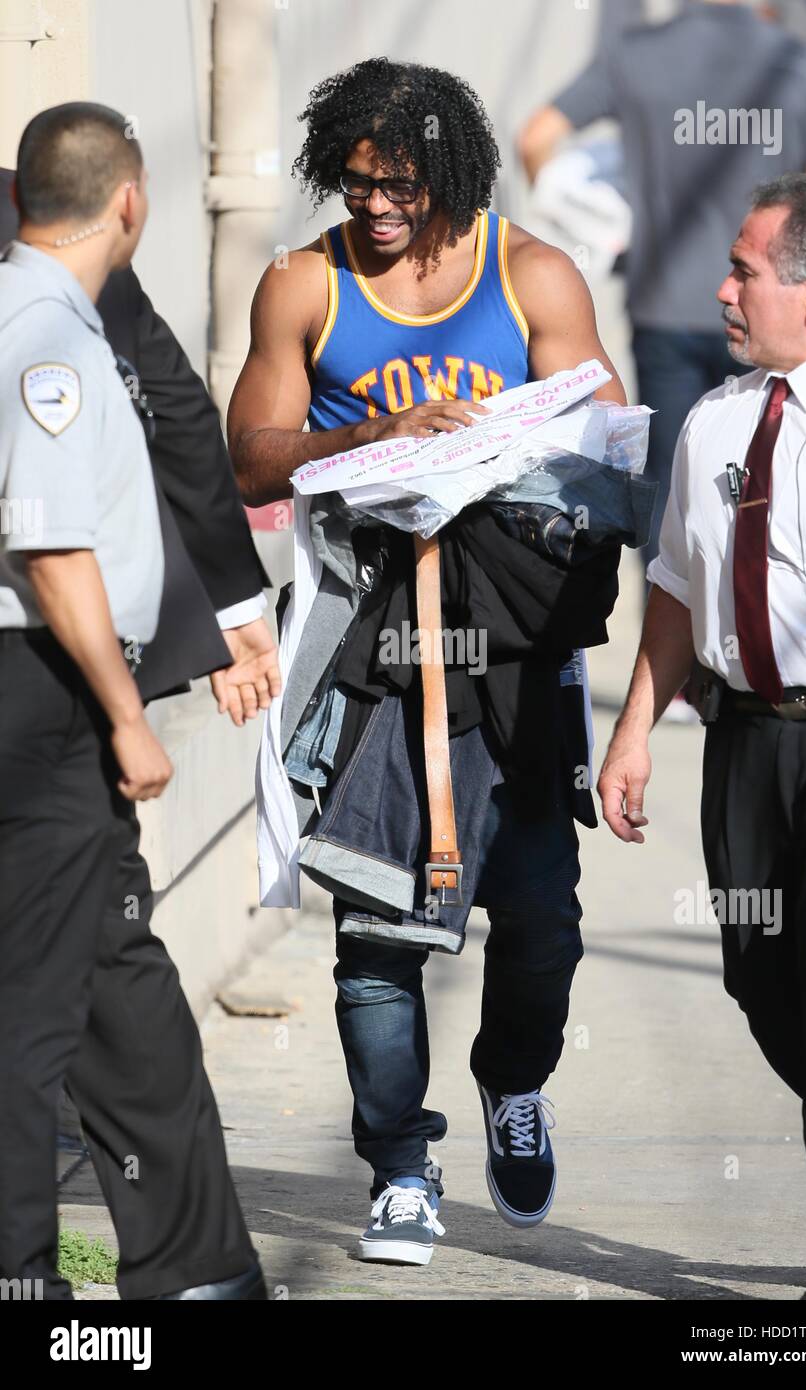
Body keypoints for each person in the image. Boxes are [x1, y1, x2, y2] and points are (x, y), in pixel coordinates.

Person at [229, 57, 626, 1265]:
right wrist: (376, 434)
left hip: (513, 658)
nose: (373, 205)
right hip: (375, 661)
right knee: (376, 938)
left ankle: (514, 1081)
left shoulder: (532, 274)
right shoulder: (304, 285)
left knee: (540, 925)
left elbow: (609, 454)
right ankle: (398, 1164)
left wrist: (514, 455)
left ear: (450, 172)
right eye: (353, 183)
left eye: (396, 183)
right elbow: (250, 458)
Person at [0, 102, 276, 1300]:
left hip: (50, 690)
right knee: (36, 1010)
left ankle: (195, 1269)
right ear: (131, 199)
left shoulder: (55, 315)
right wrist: (120, 711)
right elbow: (52, 552)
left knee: (118, 977)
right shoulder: (46, 336)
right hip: (47, 692)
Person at [598, 173, 806, 1300]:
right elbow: (672, 585)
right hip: (744, 741)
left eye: (741, 271)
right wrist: (631, 733)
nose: (718, 290)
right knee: (766, 987)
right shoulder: (710, 419)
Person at [519, 0, 806, 585]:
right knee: (777, 483)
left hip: (662, 306)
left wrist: (604, 233)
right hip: (774, 321)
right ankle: (755, 645)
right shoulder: (796, 61)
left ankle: (675, 667)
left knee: (677, 491)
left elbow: (535, 139)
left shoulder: (635, 54)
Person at [0, 168, 278, 714]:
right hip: (48, 660)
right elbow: (175, 418)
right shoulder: (53, 231)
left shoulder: (47, 229)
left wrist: (231, 605)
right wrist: (232, 606)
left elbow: (173, 413)